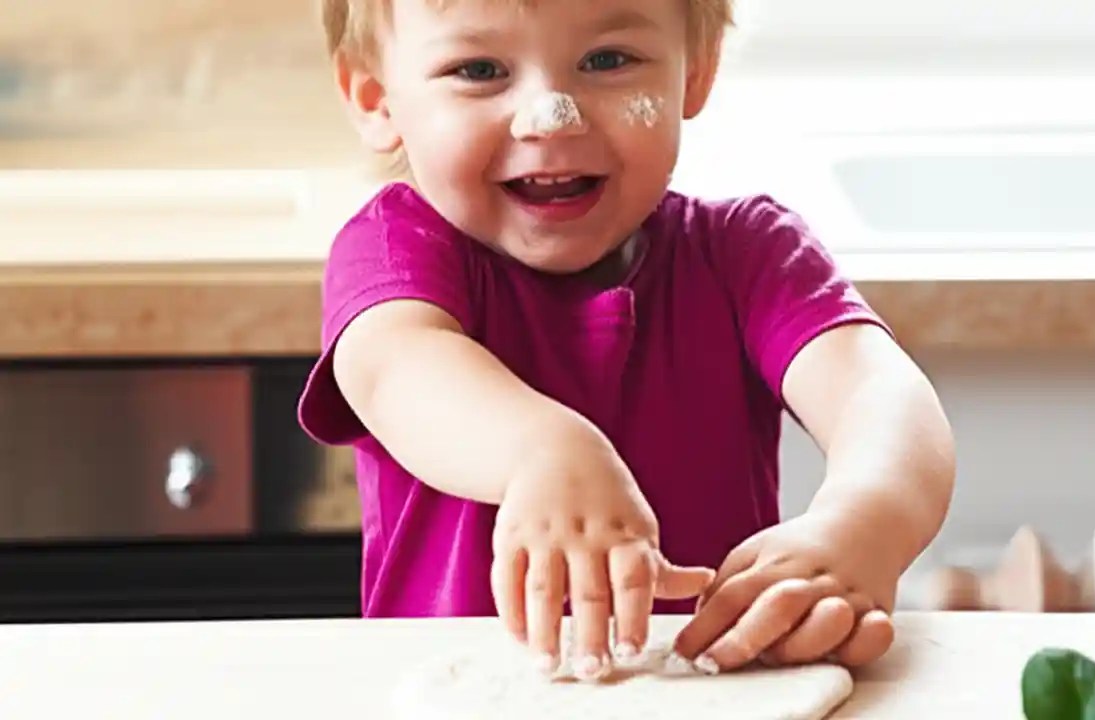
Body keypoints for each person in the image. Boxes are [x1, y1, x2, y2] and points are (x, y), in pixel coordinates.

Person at [298, 0, 956, 682]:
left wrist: (861, 525)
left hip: (716, 695)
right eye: (479, 70)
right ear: (378, 99)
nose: (551, 115)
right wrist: (543, 452)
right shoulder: (394, 249)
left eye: (608, 61)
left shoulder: (746, 256)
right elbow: (397, 368)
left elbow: (881, 396)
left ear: (695, 73)